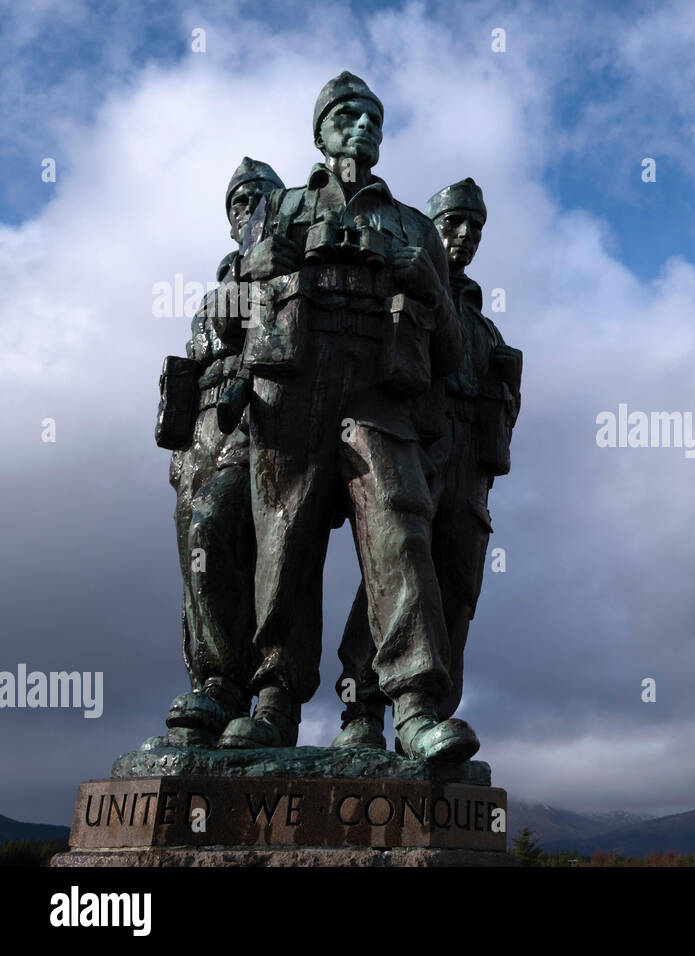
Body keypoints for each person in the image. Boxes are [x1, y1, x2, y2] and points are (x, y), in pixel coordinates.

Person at [217, 72, 476, 763]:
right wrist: (250, 275)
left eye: (374, 118)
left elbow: (450, 348)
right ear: (321, 129)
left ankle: (414, 705)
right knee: (284, 537)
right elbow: (226, 319)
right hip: (292, 382)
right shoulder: (279, 208)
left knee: (400, 527)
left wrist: (427, 284)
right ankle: (275, 696)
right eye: (348, 114)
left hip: (379, 391)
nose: (362, 126)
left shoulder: (414, 226)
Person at [332, 178, 521, 749]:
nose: (464, 236)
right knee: (392, 573)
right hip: (417, 444)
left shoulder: (488, 330)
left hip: (471, 470)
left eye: (476, 228)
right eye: (454, 223)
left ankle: (430, 719)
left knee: (457, 589)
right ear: (430, 229)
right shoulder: (406, 290)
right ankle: (361, 708)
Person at [149, 159, 283, 748]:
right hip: (201, 432)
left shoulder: (279, 276)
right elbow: (202, 345)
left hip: (255, 421)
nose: (247, 209)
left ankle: (232, 680)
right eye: (238, 202)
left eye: (259, 199)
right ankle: (210, 683)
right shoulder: (215, 291)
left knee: (215, 532)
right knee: (194, 550)